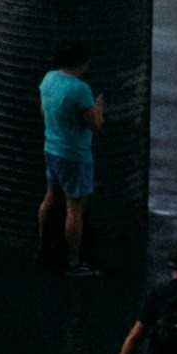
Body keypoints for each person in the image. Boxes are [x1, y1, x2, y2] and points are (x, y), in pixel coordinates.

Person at [34, 61, 104, 272]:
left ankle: (43, 244)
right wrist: (98, 108)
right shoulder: (80, 89)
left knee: (50, 197)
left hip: (52, 149)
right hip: (75, 155)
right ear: (81, 61)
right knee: (75, 208)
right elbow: (95, 124)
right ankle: (73, 261)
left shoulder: (49, 79)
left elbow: (43, 112)